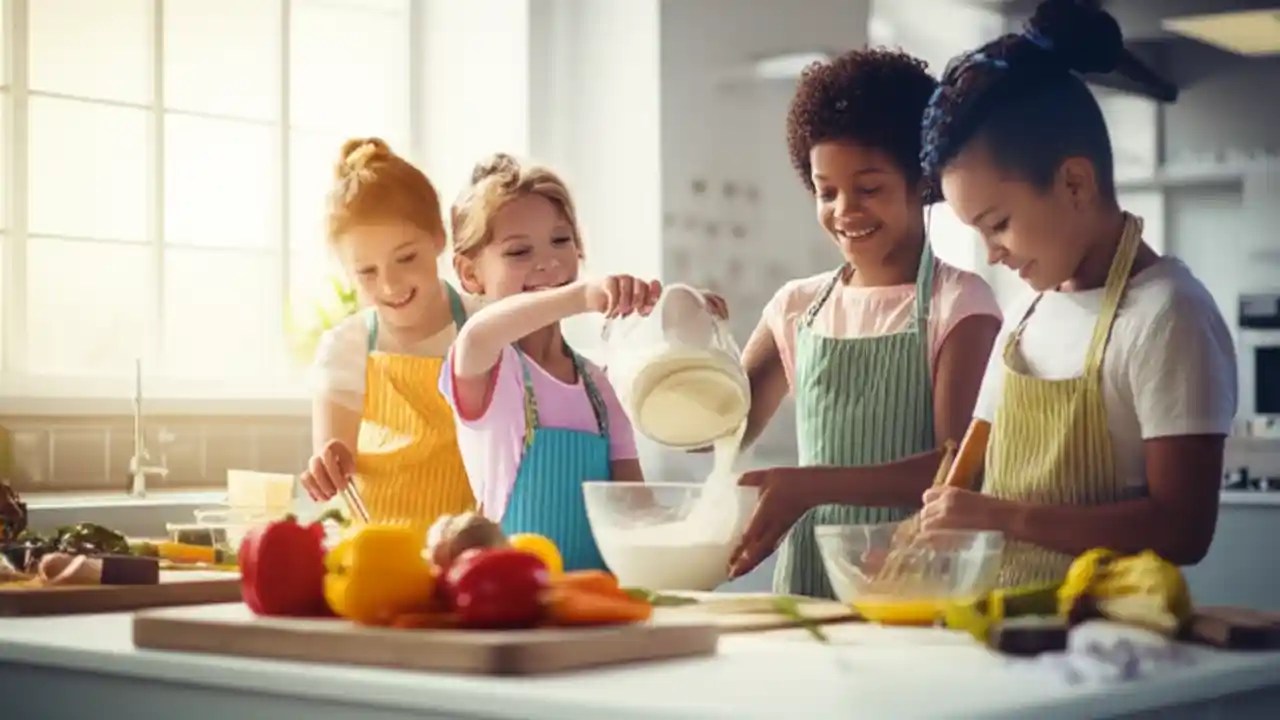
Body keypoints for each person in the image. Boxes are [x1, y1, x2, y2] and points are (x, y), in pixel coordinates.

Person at [916, 0, 1237, 586]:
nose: (992, 252)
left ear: (1074, 183)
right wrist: (920, 547)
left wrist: (1000, 517)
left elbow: (1184, 528)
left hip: (1108, 645)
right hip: (1005, 628)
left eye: (999, 223)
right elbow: (963, 479)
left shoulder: (1169, 315)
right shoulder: (1024, 317)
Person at [728, 49, 1002, 597]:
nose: (844, 210)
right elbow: (720, 430)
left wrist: (811, 487)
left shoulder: (960, 303)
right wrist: (693, 340)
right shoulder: (796, 308)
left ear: (922, 181)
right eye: (826, 191)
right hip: (808, 585)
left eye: (869, 188)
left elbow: (956, 469)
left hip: (914, 581)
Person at [439, 153, 661, 571]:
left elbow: (634, 506)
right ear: (469, 274)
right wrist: (582, 297)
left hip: (594, 601)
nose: (549, 262)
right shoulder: (485, 363)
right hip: (508, 597)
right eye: (519, 251)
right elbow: (481, 330)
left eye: (561, 241)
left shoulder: (598, 385)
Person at [300, 138, 479, 531]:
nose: (390, 284)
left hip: (473, 551)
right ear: (348, 272)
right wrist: (328, 464)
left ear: (438, 238)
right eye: (367, 271)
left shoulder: (483, 326)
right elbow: (335, 454)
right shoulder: (346, 348)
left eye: (406, 258)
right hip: (380, 555)